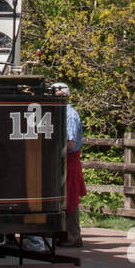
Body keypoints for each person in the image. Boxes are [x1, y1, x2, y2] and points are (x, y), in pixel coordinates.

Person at [53, 81, 85, 247]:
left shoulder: (69, 115)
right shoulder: (58, 113)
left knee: (70, 199)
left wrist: (53, 152)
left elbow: (71, 144)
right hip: (62, 162)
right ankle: (63, 233)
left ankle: (74, 236)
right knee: (62, 199)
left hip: (69, 162)